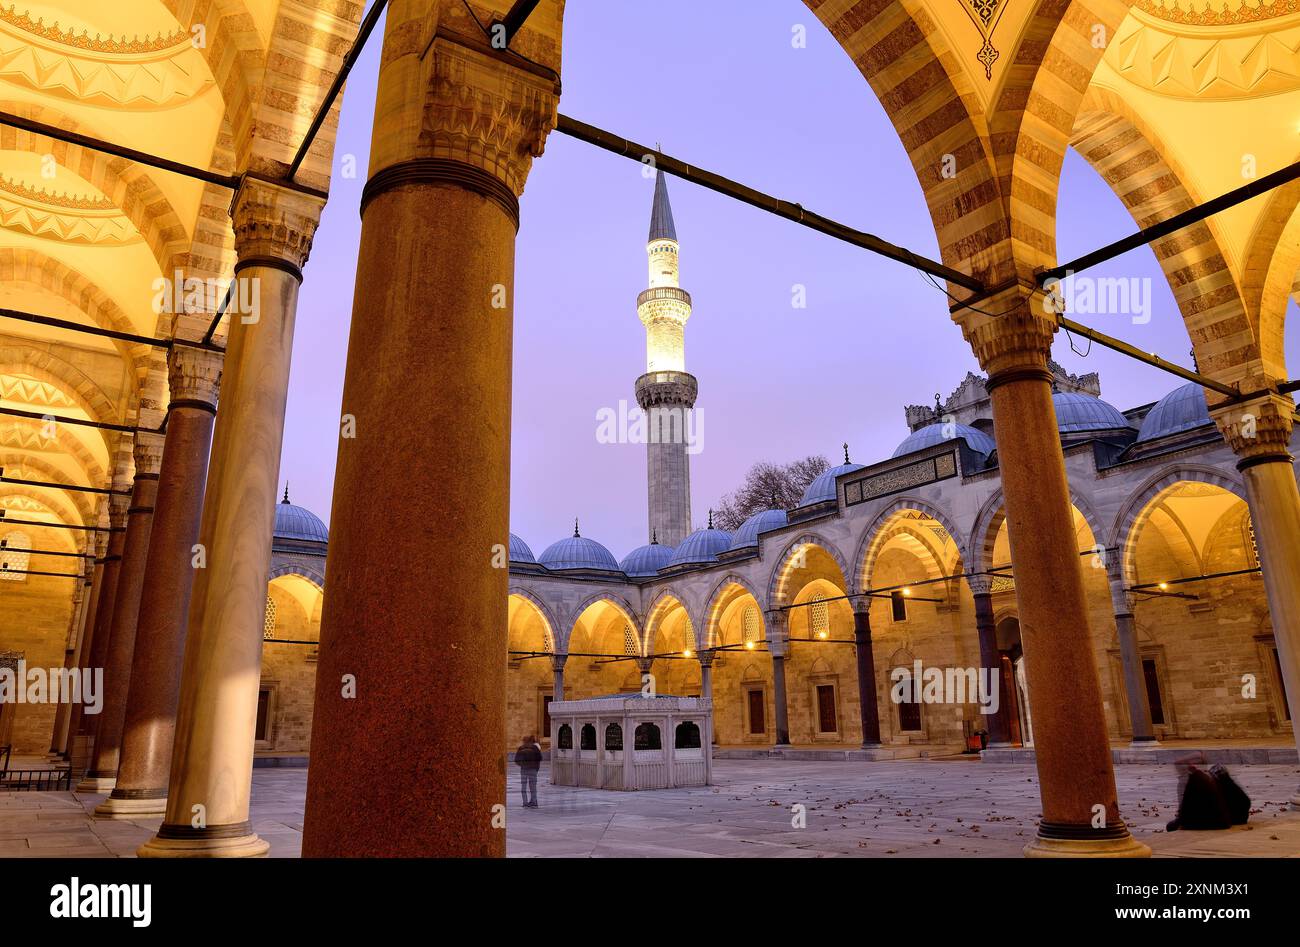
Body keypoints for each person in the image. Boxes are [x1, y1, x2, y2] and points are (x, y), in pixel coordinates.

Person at [515, 734, 542, 808]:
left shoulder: (521, 748)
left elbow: (516, 760)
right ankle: (534, 802)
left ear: (524, 741)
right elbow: (539, 758)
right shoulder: (535, 748)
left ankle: (525, 803)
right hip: (533, 770)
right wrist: (536, 767)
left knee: (523, 787)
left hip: (524, 770)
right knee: (533, 787)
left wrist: (522, 765)